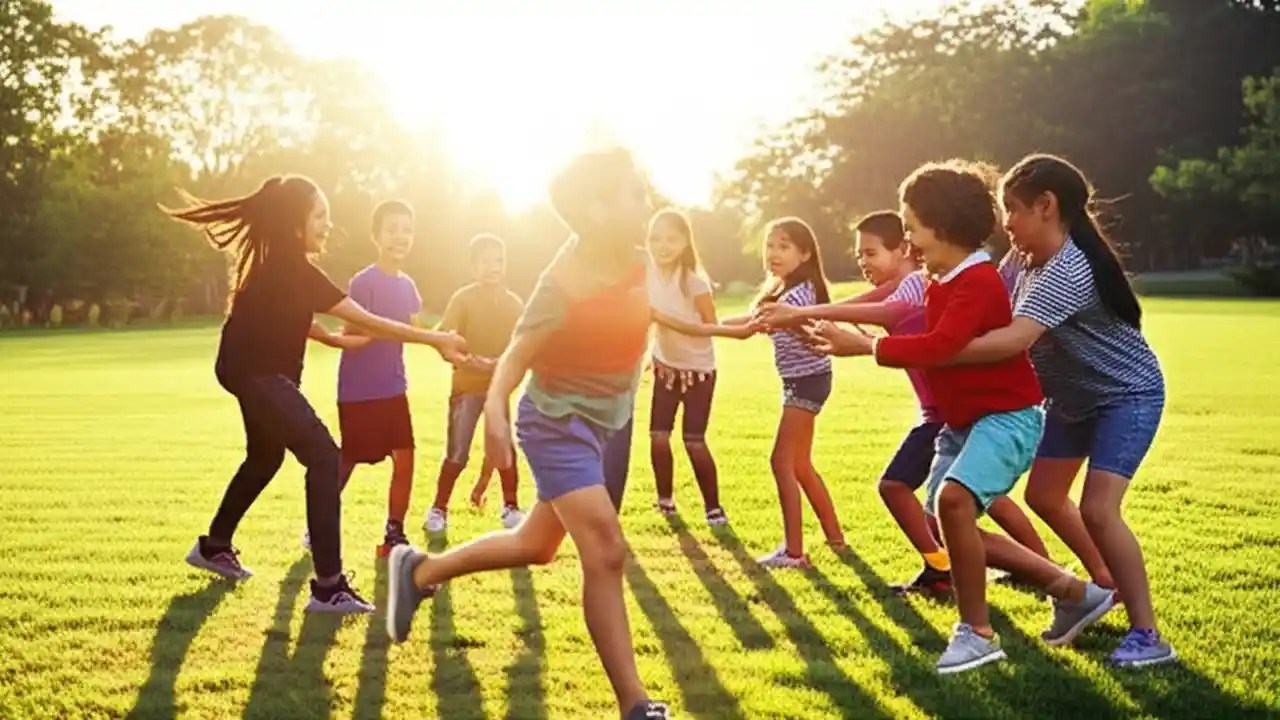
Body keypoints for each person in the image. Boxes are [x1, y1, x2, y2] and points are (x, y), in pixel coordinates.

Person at [385, 149, 670, 720]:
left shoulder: (641, 262)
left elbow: (663, 312)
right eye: (633, 193)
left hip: (610, 425)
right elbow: (516, 355)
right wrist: (494, 410)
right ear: (594, 210)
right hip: (556, 425)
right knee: (607, 552)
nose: (647, 201)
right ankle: (635, 705)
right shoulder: (560, 282)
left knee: (536, 546)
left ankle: (418, 570)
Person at [808, 161, 1114, 673]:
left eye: (911, 228)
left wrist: (866, 348)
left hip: (1007, 417)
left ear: (943, 225)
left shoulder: (977, 280)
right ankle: (1072, 591)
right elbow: (926, 334)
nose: (908, 242)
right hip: (966, 423)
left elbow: (944, 345)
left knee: (952, 503)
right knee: (949, 522)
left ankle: (976, 632)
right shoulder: (941, 278)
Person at [166, 175, 466, 614]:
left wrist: (323, 337)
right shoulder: (293, 269)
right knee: (324, 456)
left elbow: (277, 317)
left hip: (246, 371)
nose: (327, 225)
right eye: (319, 216)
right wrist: (434, 340)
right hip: (259, 375)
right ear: (294, 225)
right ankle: (329, 587)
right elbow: (370, 320)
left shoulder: (277, 267)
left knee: (265, 457)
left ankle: (214, 546)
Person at [948, 153, 1175, 668]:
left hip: (1126, 396)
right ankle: (1102, 589)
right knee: (1045, 496)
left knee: (1098, 509)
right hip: (1071, 401)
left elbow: (1013, 339)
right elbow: (986, 307)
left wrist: (932, 349)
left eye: (1012, 209)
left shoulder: (1071, 266)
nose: (1005, 223)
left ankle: (1148, 635)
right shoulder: (1022, 259)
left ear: (1046, 206)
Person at [758, 210, 1049, 594]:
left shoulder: (918, 282)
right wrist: (810, 314)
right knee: (982, 499)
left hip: (945, 415)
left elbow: (886, 311)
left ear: (902, 249)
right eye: (859, 254)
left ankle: (946, 569)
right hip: (948, 412)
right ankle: (1040, 566)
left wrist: (810, 314)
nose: (863, 262)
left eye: (872, 253)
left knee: (897, 486)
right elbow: (868, 302)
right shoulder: (910, 283)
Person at [657, 217, 845, 569]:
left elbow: (748, 328)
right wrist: (697, 324)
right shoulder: (781, 291)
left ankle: (794, 552)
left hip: (806, 383)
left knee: (781, 462)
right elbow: (740, 323)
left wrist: (670, 320)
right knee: (801, 465)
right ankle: (836, 539)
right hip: (805, 381)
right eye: (770, 245)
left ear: (805, 254)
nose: (773, 253)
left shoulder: (797, 297)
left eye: (784, 246)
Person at [312, 200, 422, 557]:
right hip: (360, 389)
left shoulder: (408, 286)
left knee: (405, 457)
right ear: (376, 236)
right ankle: (317, 525)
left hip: (394, 386)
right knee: (350, 459)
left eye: (406, 229)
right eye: (392, 230)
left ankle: (394, 534)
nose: (400, 237)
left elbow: (415, 331)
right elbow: (353, 335)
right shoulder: (363, 282)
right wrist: (324, 337)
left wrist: (452, 340)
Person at [425, 233, 526, 534]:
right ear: (474, 267)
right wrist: (472, 361)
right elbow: (444, 340)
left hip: (498, 391)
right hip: (466, 388)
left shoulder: (513, 303)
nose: (493, 267)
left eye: (499, 261)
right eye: (485, 261)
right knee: (458, 452)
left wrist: (501, 365)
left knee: (504, 448)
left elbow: (521, 345)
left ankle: (510, 507)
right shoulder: (463, 299)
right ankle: (438, 509)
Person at [645, 209, 726, 525]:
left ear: (684, 242)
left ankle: (713, 508)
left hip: (698, 372)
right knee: (658, 436)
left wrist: (661, 317)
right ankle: (665, 501)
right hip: (665, 367)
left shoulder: (694, 281)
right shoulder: (647, 274)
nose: (662, 246)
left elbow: (711, 327)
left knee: (693, 440)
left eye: (671, 239)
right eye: (655, 238)